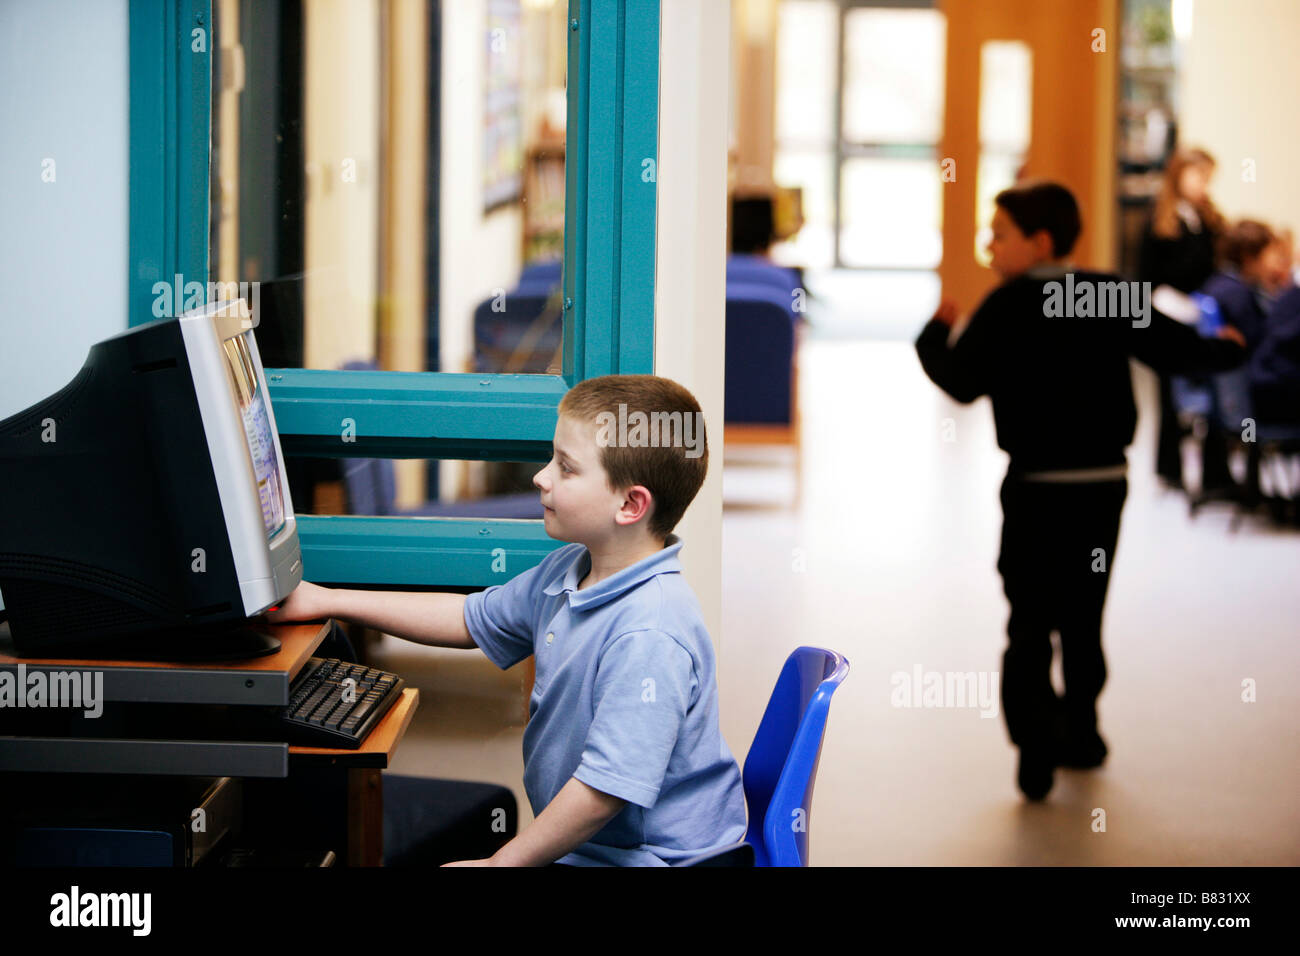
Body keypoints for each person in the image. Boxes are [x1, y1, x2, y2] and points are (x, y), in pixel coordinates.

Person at [266, 374, 748, 865]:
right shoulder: (571, 569)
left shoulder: (649, 632)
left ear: (629, 505)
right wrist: (328, 600)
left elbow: (604, 792)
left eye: (566, 467)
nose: (542, 477)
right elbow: (468, 618)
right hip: (598, 847)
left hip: (657, 859)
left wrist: (504, 863)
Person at [915, 181, 1246, 801]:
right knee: (1085, 616)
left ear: (1038, 241)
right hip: (1101, 489)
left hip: (1035, 491)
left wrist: (933, 334)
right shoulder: (1105, 293)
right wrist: (1226, 352)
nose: (990, 246)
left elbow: (961, 382)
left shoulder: (1008, 305)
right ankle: (1084, 732)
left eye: (999, 234)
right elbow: (1176, 352)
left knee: (1030, 620)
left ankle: (1036, 754)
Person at [1137, 147, 1227, 488]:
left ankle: (1215, 472)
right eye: (1198, 176)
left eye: (1208, 179)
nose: (1204, 184)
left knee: (1214, 388)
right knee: (1169, 397)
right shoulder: (1160, 218)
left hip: (1201, 313)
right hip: (1168, 312)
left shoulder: (1208, 218)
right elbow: (1147, 274)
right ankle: (1169, 468)